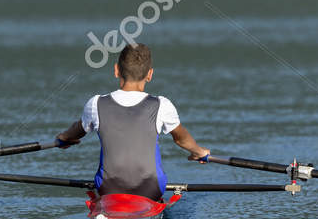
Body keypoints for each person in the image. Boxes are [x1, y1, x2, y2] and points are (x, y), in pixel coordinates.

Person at [55, 42, 209, 200]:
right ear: (150, 74)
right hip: (151, 189)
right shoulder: (162, 105)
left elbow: (77, 131)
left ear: (116, 70)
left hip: (108, 189)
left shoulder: (96, 103)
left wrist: (64, 138)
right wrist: (199, 152)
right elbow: (181, 139)